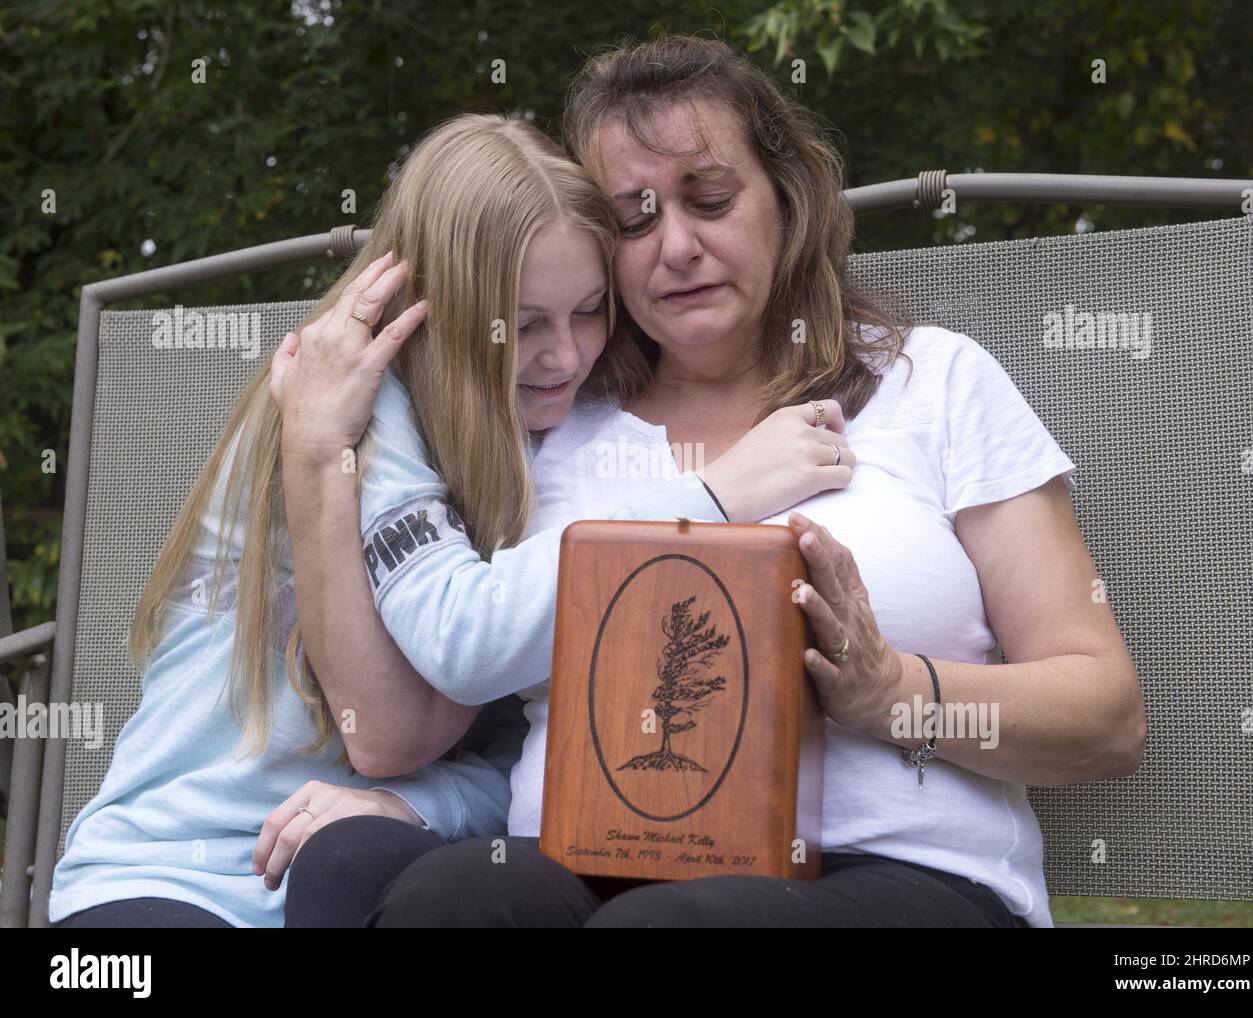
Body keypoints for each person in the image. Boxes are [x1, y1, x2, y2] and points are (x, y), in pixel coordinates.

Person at [283, 35, 1147, 929]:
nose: (678, 247)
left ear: (787, 196)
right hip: (582, 857)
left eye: (711, 199)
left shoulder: (932, 382)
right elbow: (431, 688)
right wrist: (320, 439)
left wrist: (892, 693)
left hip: (894, 873)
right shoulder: (548, 419)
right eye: (635, 219)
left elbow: (1106, 716)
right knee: (446, 900)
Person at [49, 111, 851, 929]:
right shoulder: (363, 402)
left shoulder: (554, 433)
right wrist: (709, 498)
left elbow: (529, 741)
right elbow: (410, 712)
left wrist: (426, 801)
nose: (566, 356)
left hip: (356, 868)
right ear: (433, 309)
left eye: (588, 310)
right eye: (525, 322)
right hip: (175, 877)